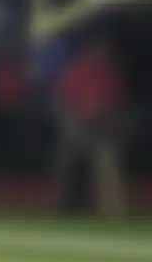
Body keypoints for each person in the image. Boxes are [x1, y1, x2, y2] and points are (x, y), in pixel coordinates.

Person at [53, 40, 127, 215]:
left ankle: (112, 208)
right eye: (96, 52)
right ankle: (66, 202)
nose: (100, 56)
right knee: (68, 156)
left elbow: (119, 105)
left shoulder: (111, 75)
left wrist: (105, 115)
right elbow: (61, 102)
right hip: (77, 126)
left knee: (108, 162)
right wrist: (80, 114)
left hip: (103, 129)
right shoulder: (74, 73)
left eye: (103, 53)